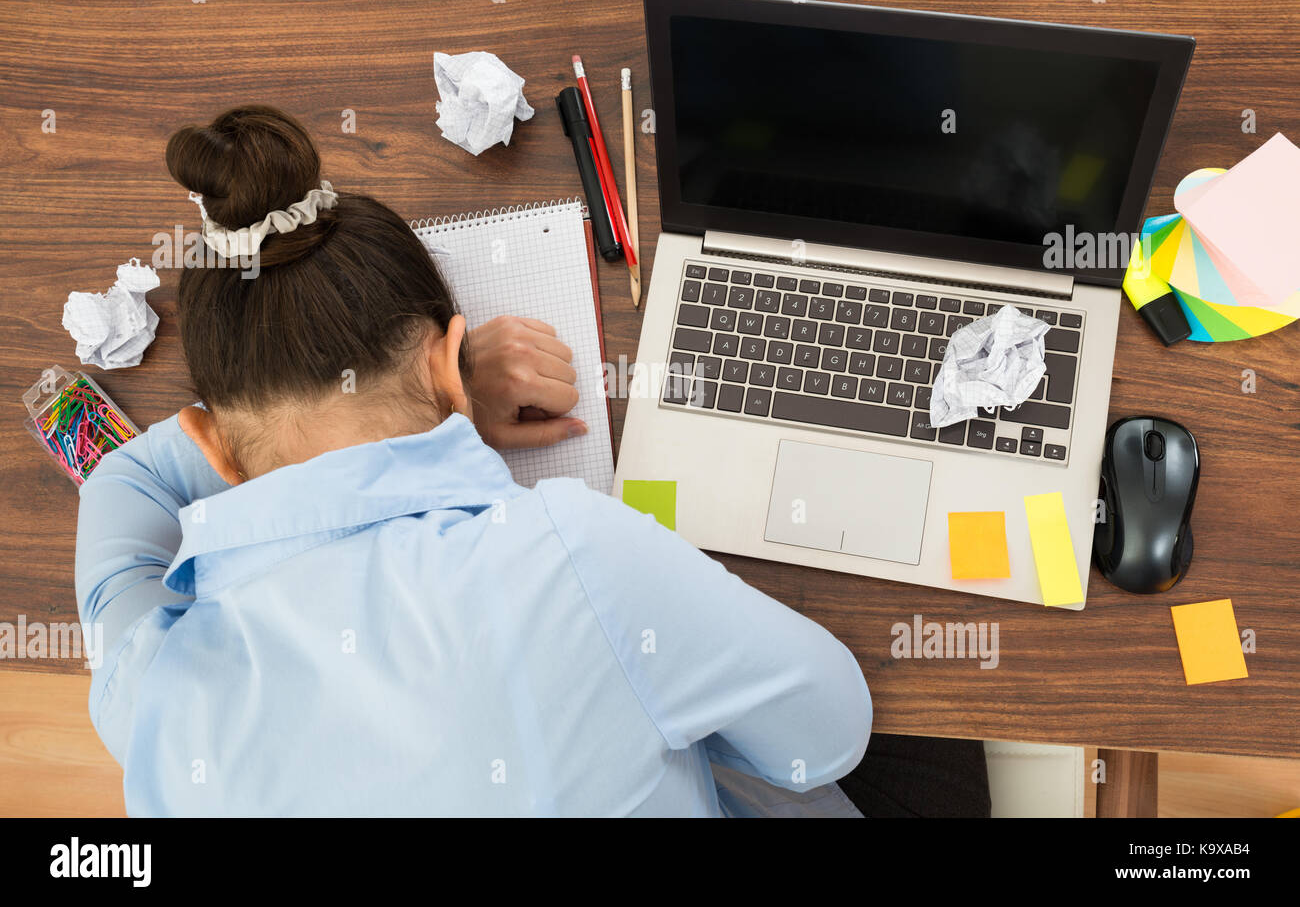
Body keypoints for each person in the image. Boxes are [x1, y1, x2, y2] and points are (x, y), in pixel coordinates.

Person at [75, 105, 872, 816]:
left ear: (209, 441)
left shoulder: (150, 700)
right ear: (451, 359)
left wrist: (395, 403)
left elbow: (125, 478)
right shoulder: (577, 556)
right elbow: (829, 736)